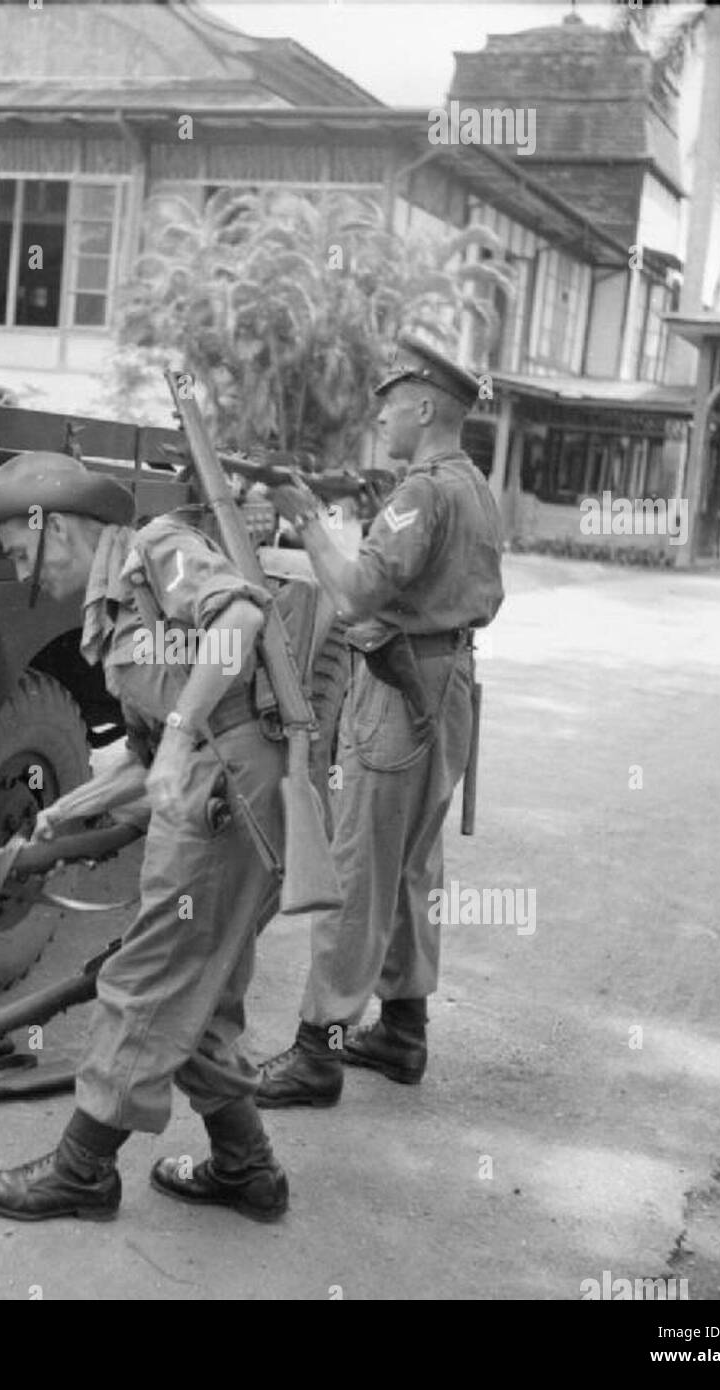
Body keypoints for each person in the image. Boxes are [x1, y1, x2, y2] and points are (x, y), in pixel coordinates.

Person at [0, 451, 292, 1222]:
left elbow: (237, 619)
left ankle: (81, 1172)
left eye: (16, 553)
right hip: (212, 779)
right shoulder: (111, 612)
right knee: (199, 990)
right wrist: (71, 808)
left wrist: (176, 738)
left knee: (145, 976)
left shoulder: (155, 550)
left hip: (225, 790)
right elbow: (145, 758)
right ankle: (247, 1168)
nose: (17, 575)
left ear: (57, 529)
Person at [257, 333, 504, 1108]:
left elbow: (356, 594)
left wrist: (305, 522)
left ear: (425, 406)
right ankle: (401, 1030)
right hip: (446, 682)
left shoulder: (422, 491)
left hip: (400, 691)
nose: (382, 425)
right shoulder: (471, 486)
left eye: (391, 409)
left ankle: (317, 1051)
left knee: (358, 871)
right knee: (410, 868)